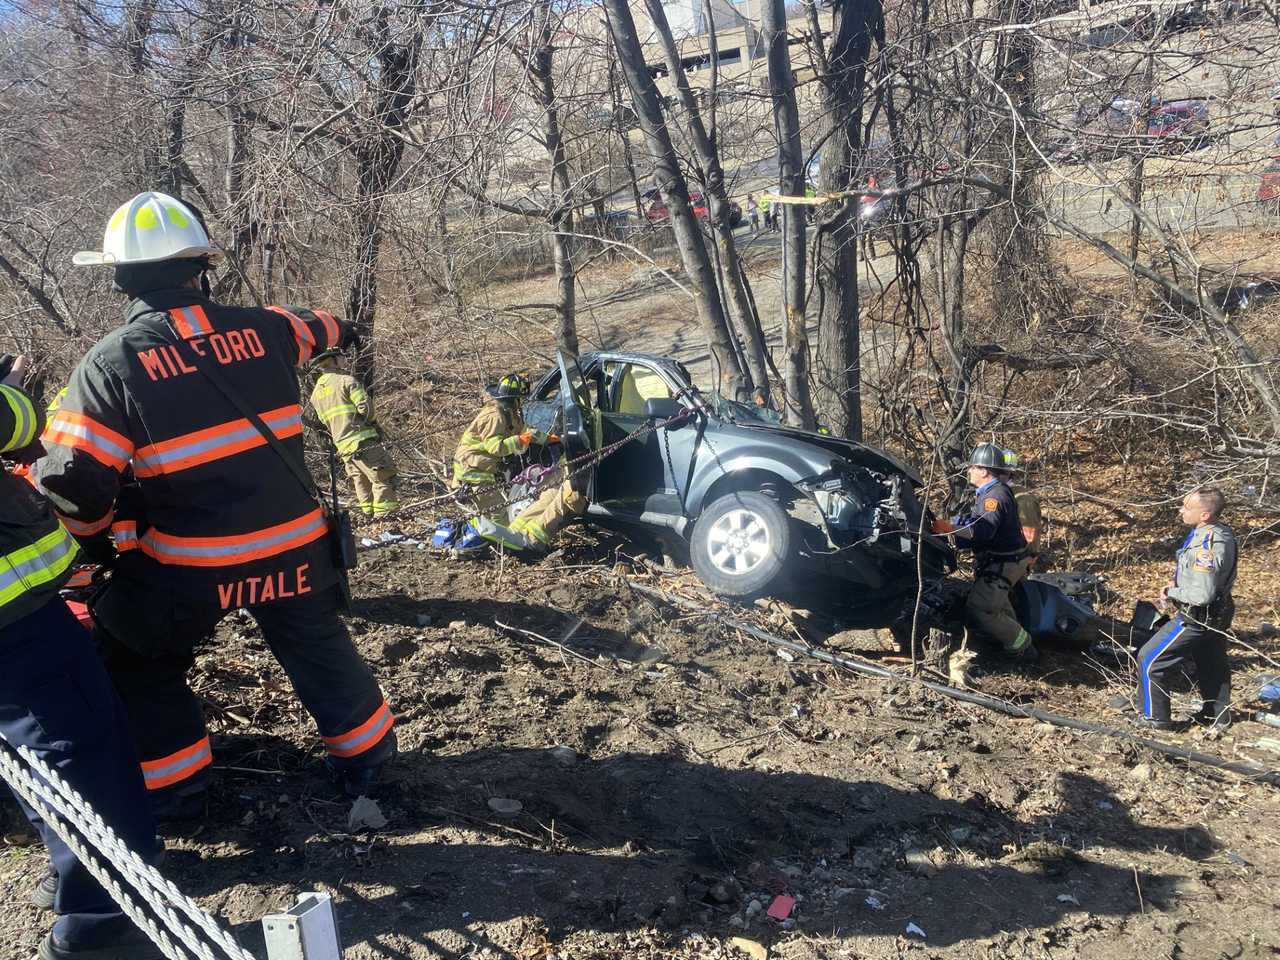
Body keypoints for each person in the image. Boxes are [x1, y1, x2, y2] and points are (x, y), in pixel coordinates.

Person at [34, 191, 396, 812]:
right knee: (316, 643)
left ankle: (179, 787)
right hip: (294, 545)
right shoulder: (271, 329)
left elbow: (73, 481)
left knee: (135, 651)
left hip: (193, 566)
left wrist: (95, 532)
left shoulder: (109, 365)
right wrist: (341, 331)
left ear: (119, 277)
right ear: (201, 267)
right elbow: (328, 325)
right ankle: (368, 760)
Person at [0, 356, 165, 960]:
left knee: (30, 748)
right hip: (13, 615)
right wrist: (10, 395)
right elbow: (13, 425)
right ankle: (102, 920)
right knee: (73, 748)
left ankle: (83, 869)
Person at [1134, 488, 1237, 731]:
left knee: (1150, 658)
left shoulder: (1207, 546)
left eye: (1186, 507)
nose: (1181, 510)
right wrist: (1178, 582)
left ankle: (1155, 718)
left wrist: (1172, 593)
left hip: (1198, 617)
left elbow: (1202, 594)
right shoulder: (1220, 532)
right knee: (1212, 662)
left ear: (1205, 514)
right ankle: (1216, 714)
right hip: (1219, 614)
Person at [932, 443, 1036, 660]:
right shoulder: (993, 492)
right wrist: (953, 525)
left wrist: (950, 528)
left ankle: (1023, 649)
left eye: (973, 467)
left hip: (1003, 563)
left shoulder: (994, 497)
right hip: (1006, 561)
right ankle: (1016, 642)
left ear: (985, 470)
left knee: (981, 608)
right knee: (998, 606)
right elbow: (978, 522)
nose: (969, 471)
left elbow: (983, 530)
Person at [309, 348, 400, 518]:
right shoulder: (346, 381)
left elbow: (324, 421)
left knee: (361, 480)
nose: (345, 360)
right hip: (362, 440)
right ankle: (386, 518)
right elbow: (366, 409)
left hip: (343, 445)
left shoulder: (315, 394)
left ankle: (369, 516)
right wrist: (373, 424)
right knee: (383, 476)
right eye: (342, 357)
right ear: (334, 360)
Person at [450, 373, 536, 518]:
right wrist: (519, 440)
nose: (521, 402)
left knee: (492, 512)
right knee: (498, 515)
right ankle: (496, 540)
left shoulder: (511, 413)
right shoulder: (494, 416)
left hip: (484, 468)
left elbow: (524, 430)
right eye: (519, 399)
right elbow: (495, 447)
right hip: (473, 470)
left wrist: (546, 438)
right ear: (511, 400)